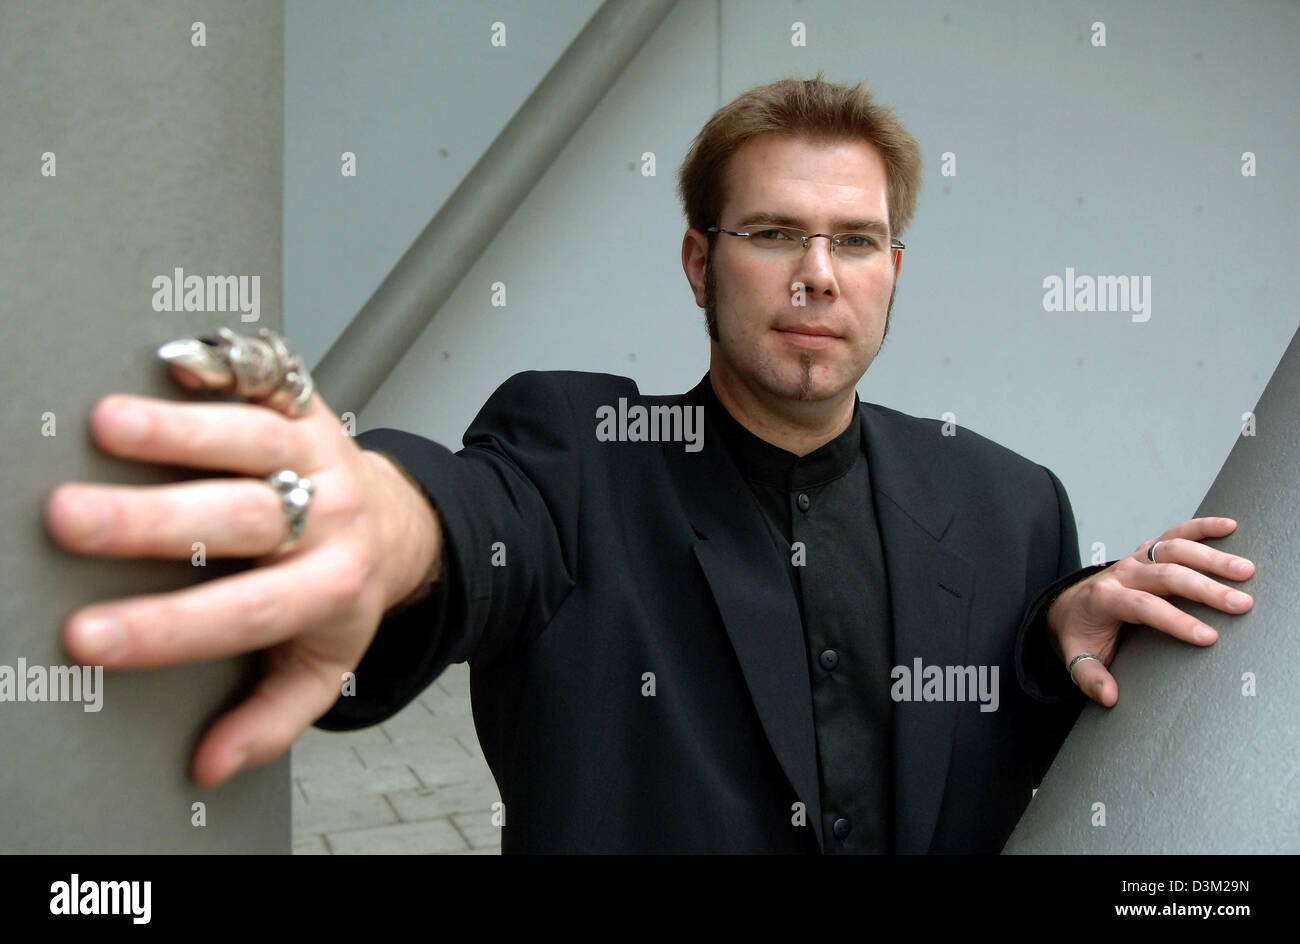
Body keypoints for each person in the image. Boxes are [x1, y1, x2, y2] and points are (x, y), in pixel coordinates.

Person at [44, 76, 1255, 853]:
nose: (817, 273)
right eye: (774, 232)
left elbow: (998, 739)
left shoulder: (1005, 499)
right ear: (697, 260)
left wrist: (1053, 646)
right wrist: (375, 518)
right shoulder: (581, 452)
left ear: (896, 270)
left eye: (855, 239)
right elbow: (475, 516)